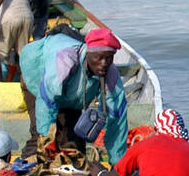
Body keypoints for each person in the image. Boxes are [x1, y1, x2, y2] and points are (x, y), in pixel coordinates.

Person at [32, 28, 131, 162]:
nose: (104, 63)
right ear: (88, 54)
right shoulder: (66, 60)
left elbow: (116, 117)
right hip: (37, 80)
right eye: (99, 58)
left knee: (74, 147)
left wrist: (118, 164)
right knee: (39, 139)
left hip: (72, 98)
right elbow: (46, 99)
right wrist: (46, 137)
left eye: (109, 58)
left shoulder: (110, 71)